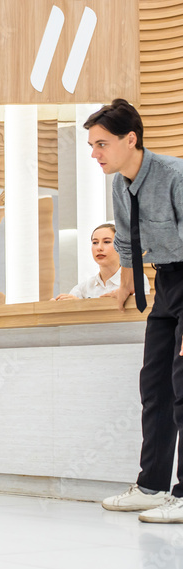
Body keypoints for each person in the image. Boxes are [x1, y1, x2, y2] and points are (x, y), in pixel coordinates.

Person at [86, 100, 183, 523]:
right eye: (92, 145)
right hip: (166, 283)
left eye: (101, 143)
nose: (95, 154)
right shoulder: (119, 183)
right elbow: (126, 240)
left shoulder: (175, 175)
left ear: (131, 139)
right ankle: (152, 486)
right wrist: (126, 284)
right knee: (155, 385)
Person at [52, 223, 150, 300]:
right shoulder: (84, 287)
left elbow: (135, 314)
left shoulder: (136, 280)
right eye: (95, 242)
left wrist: (81, 304)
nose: (99, 248)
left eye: (106, 242)